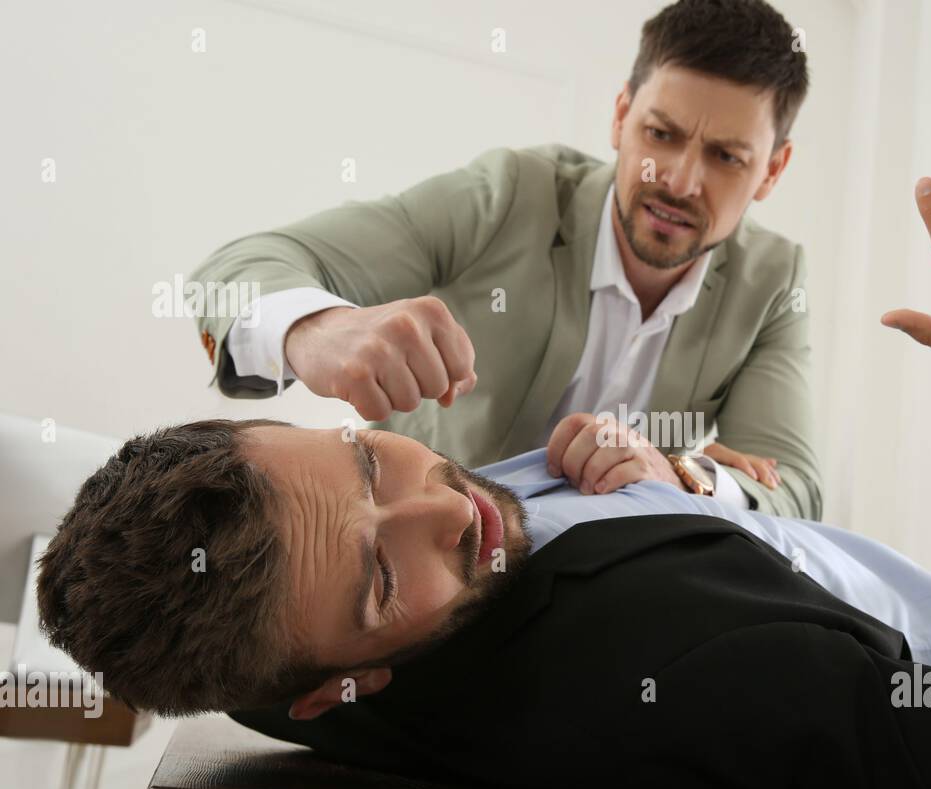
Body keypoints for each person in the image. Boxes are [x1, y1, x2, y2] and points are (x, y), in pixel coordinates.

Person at [40, 143, 931, 789]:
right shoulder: (685, 655)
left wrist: (317, 328)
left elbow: (789, 476)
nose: (450, 509)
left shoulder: (282, 629)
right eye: (383, 577)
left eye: (373, 464)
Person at [187, 0, 819, 518]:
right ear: (622, 117)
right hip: (422, 579)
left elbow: (792, 491)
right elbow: (235, 271)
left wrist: (681, 475)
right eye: (662, 134)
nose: (681, 181)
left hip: (605, 605)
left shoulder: (772, 281)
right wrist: (315, 328)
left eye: (727, 158)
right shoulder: (513, 194)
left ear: (772, 170)